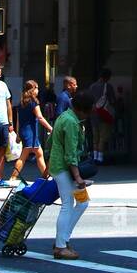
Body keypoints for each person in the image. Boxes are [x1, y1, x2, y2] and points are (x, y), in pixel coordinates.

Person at [48, 91, 94, 260]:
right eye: (88, 111)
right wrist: (78, 177)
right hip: (64, 168)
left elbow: (50, 141)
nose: (88, 116)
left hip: (59, 166)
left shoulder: (65, 116)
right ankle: (60, 246)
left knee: (82, 202)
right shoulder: (72, 122)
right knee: (68, 204)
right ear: (83, 110)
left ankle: (63, 239)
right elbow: (70, 154)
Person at [7, 81, 52, 188]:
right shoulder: (33, 103)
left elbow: (18, 120)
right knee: (28, 156)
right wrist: (51, 128)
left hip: (24, 131)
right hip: (31, 133)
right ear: (33, 89)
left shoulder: (21, 103)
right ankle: (13, 177)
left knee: (38, 155)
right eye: (37, 88)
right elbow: (40, 117)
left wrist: (18, 134)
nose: (38, 90)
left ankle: (46, 176)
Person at [88, 69, 116, 164]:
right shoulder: (108, 86)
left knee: (95, 137)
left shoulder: (92, 87)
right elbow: (112, 100)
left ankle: (95, 157)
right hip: (103, 114)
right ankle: (100, 158)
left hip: (93, 114)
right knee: (102, 137)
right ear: (107, 77)